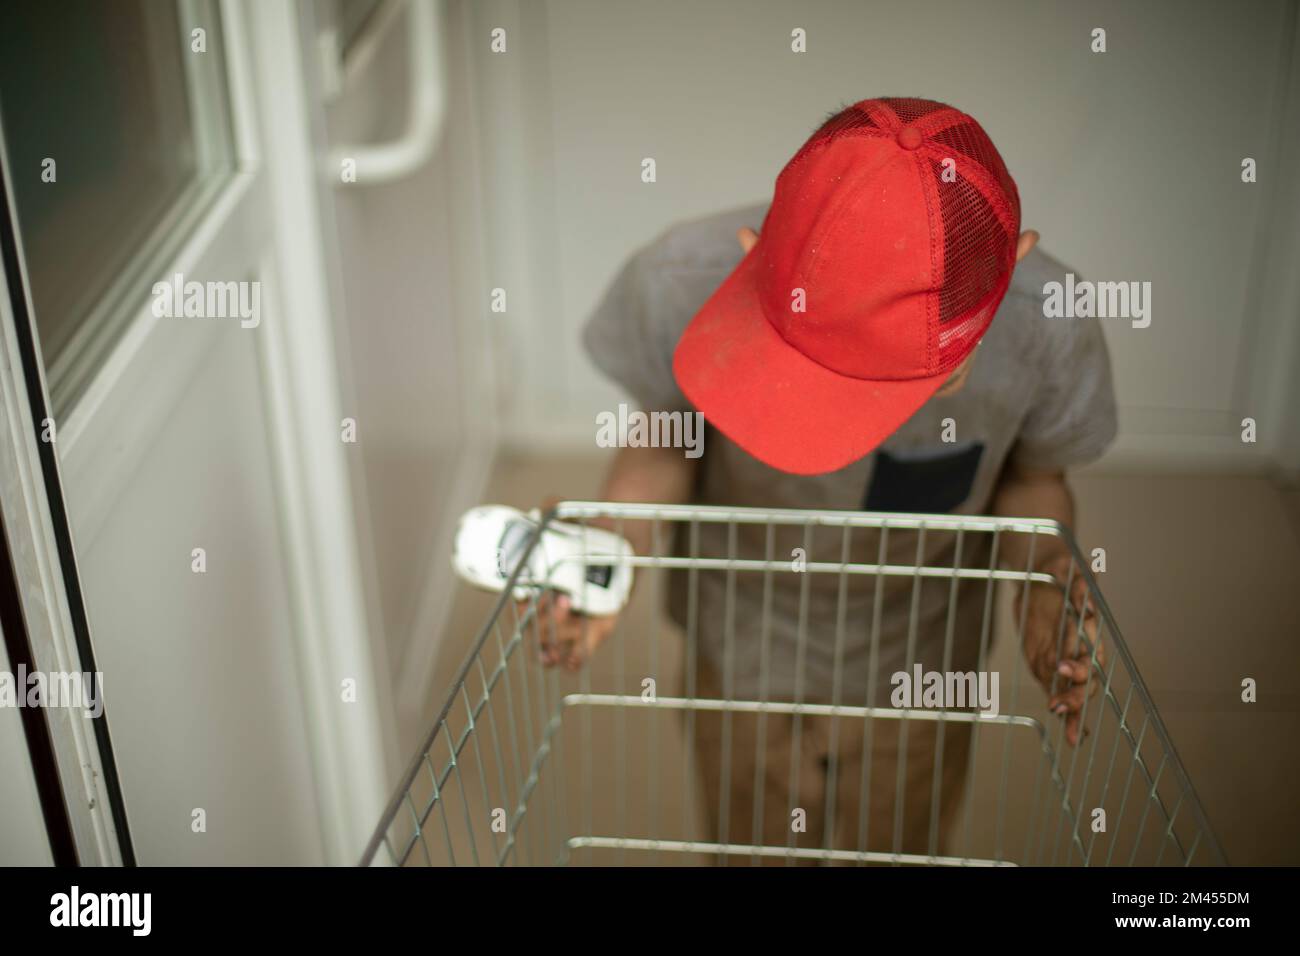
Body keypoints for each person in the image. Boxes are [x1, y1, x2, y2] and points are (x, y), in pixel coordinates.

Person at [535, 97, 1116, 862]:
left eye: (889, 387)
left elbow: (1035, 481)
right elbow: (664, 442)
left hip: (918, 648)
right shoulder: (679, 280)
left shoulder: (1051, 323)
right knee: (752, 845)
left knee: (901, 847)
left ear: (1008, 271)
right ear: (756, 250)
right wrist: (612, 543)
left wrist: (1043, 579)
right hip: (743, 632)